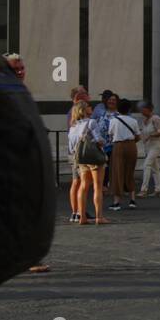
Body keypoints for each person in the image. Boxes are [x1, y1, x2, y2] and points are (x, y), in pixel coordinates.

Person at [4, 53, 51, 272]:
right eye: (16, 69)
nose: (21, 72)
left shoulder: (20, 92)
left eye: (22, 68)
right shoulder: (3, 92)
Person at [68, 100, 108, 224]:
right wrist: (104, 141)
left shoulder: (73, 126)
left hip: (81, 158)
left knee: (83, 186)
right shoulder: (91, 122)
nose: (91, 108)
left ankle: (82, 217)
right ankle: (99, 217)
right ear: (84, 110)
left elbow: (71, 146)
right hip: (94, 157)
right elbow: (98, 140)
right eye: (89, 107)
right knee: (97, 186)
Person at [106, 98, 141, 210]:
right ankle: (132, 200)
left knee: (117, 172)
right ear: (129, 109)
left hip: (118, 146)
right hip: (131, 146)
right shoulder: (133, 121)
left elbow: (110, 135)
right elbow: (138, 136)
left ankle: (117, 202)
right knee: (130, 172)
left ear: (118, 108)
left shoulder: (113, 121)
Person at [66, 85, 90, 223]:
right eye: (85, 93)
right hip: (80, 152)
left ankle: (76, 212)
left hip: (73, 151)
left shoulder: (73, 113)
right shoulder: (78, 112)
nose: (88, 96)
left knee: (76, 182)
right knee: (81, 183)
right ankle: (80, 212)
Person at [137, 101, 160, 197]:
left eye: (142, 109)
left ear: (148, 109)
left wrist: (150, 135)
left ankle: (143, 190)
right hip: (148, 146)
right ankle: (158, 189)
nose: (141, 111)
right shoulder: (144, 120)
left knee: (147, 165)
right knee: (155, 168)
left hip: (156, 145)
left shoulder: (156, 118)